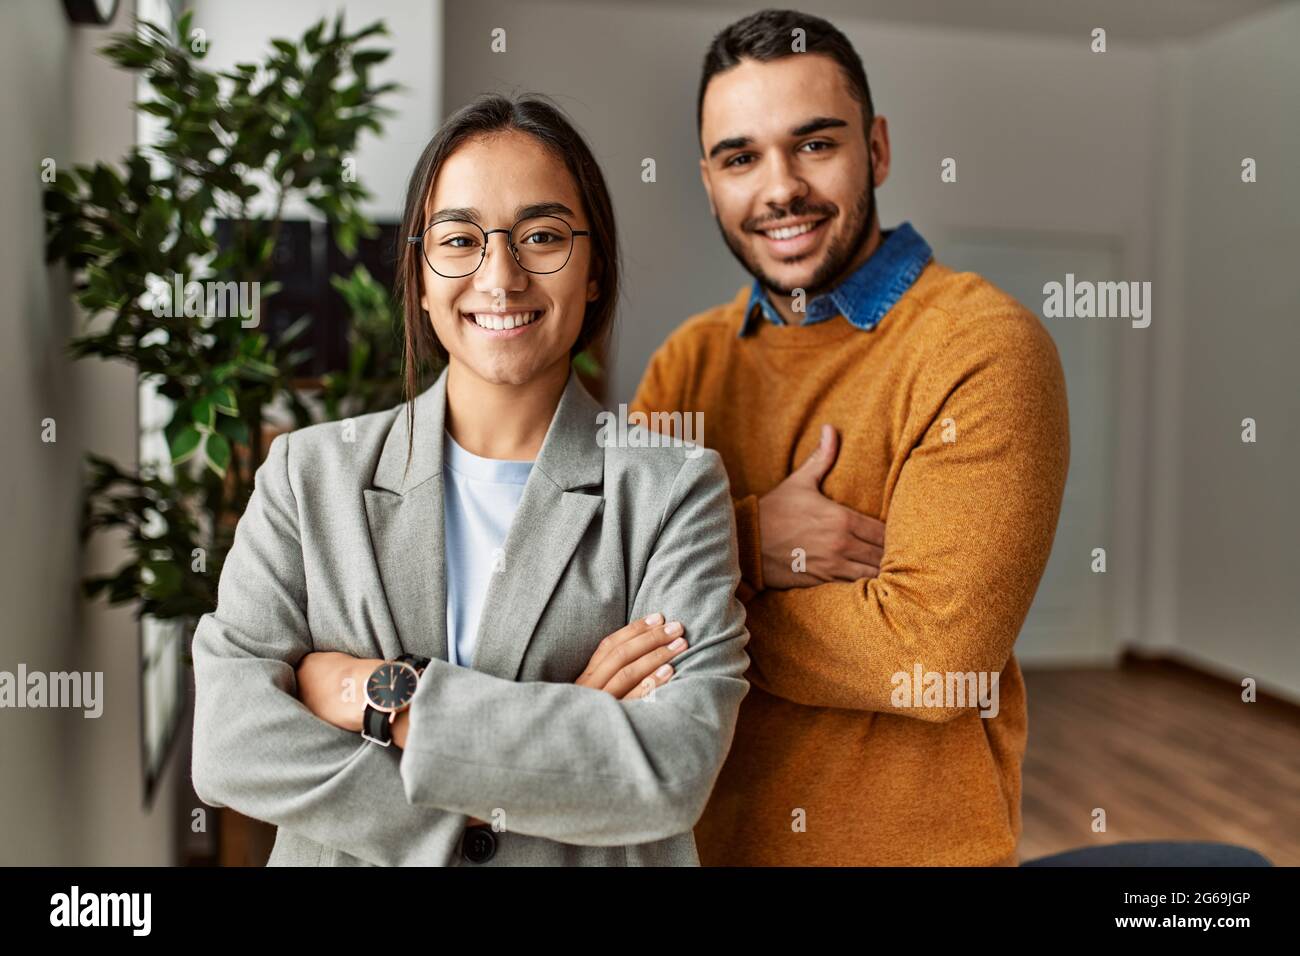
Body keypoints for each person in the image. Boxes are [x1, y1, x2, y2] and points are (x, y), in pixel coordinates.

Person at [190, 94, 751, 866]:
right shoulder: (306, 475)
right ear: (420, 278)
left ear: (594, 273)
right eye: (460, 239)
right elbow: (230, 742)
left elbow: (671, 769)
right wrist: (562, 736)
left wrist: (380, 697)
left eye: (543, 236)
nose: (501, 275)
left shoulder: (673, 489)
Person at [629, 9, 1070, 865]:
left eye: (815, 143)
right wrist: (751, 543)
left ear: (877, 148)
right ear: (709, 179)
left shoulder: (981, 346)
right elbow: (606, 603)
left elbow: (935, 654)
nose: (780, 187)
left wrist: (687, 599)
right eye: (740, 157)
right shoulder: (686, 363)